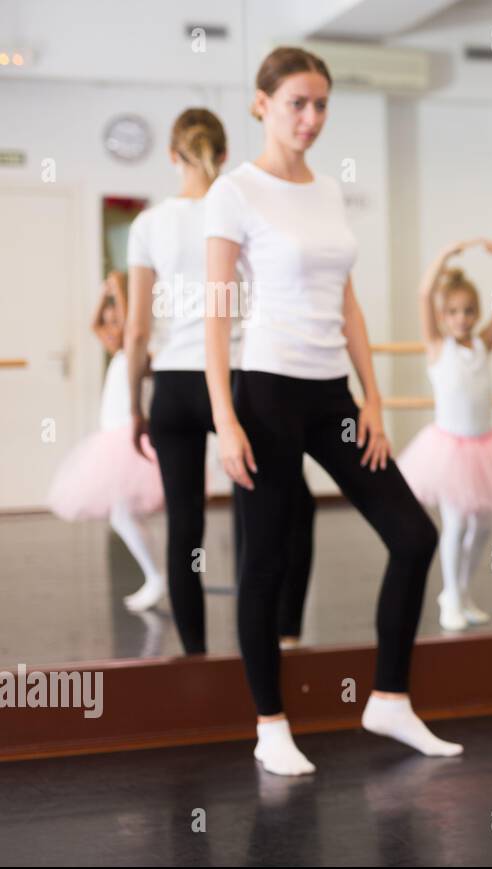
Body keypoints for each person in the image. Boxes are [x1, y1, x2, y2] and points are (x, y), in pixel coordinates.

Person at [204, 47, 460, 775]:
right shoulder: (235, 192)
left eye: (321, 104)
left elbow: (346, 301)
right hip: (264, 393)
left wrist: (372, 400)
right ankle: (270, 723)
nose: (311, 118)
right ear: (261, 103)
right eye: (296, 103)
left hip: (330, 397)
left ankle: (388, 699)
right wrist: (225, 416)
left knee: (413, 536)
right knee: (268, 559)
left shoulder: (326, 191)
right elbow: (218, 316)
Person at [125, 107, 316, 656]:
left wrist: (136, 403)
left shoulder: (149, 224)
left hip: (174, 387)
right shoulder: (242, 206)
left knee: (185, 529)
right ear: (225, 152)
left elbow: (137, 329)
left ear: (171, 154)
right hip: (236, 378)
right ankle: (282, 636)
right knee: (286, 511)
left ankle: (195, 657)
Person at [397, 239, 492, 631]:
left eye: (469, 311)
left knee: (484, 525)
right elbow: (425, 293)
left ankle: (459, 590)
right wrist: (443, 256)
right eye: (454, 312)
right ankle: (452, 601)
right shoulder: (437, 347)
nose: (462, 318)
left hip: (483, 446)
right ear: (443, 317)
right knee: (456, 524)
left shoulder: (481, 344)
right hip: (449, 451)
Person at [48, 273, 166, 612]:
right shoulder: (119, 350)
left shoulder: (142, 349)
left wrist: (119, 292)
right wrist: (106, 295)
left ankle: (156, 576)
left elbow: (132, 330)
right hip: (113, 437)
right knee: (124, 516)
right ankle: (156, 574)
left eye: (118, 316)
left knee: (124, 516)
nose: (111, 324)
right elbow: (94, 326)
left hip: (128, 438)